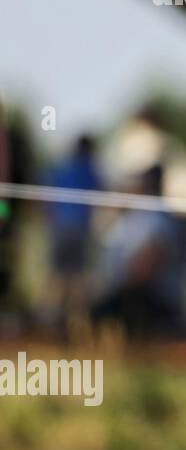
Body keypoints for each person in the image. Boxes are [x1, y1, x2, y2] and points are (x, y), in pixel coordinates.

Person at [91, 165, 186, 338]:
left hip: (153, 305)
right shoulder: (139, 215)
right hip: (137, 298)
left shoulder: (156, 216)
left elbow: (145, 267)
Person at [42, 134, 103, 338]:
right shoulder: (90, 169)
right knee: (78, 280)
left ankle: (50, 325)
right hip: (79, 232)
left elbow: (45, 200)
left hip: (59, 230)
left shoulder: (60, 167)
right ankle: (77, 328)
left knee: (57, 278)